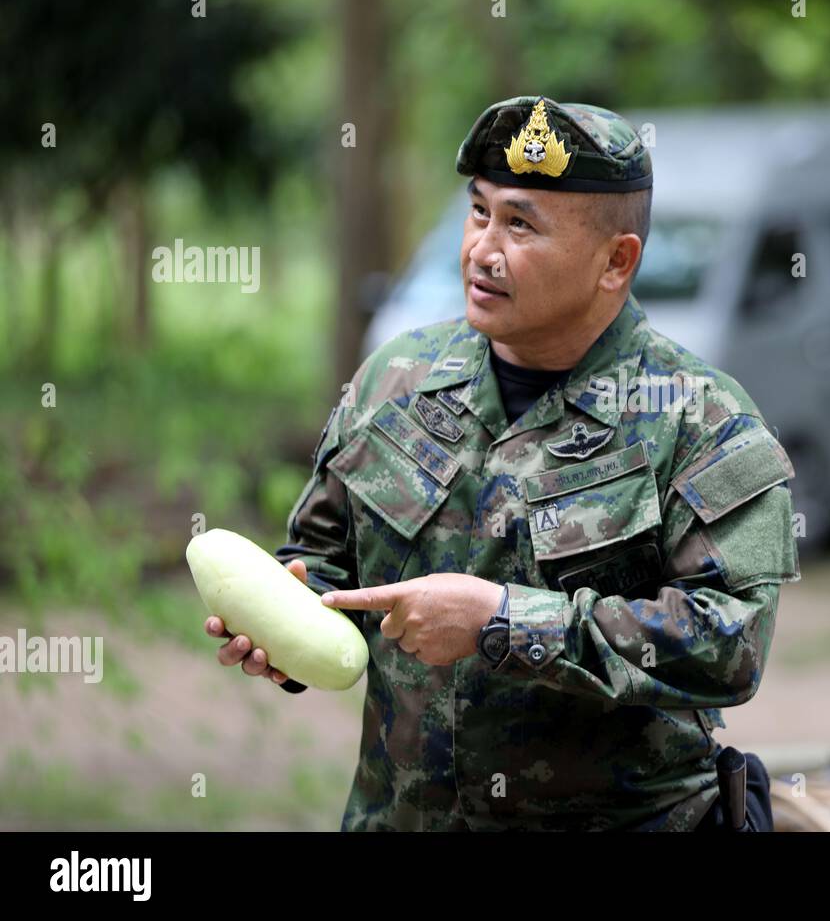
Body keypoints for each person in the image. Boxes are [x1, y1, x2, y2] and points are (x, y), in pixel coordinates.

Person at [203, 95, 799, 830]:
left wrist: (506, 622)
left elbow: (729, 644)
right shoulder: (398, 378)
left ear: (617, 262)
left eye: (521, 225)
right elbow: (325, 559)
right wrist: (290, 622)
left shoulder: (698, 418)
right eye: (479, 211)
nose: (484, 249)